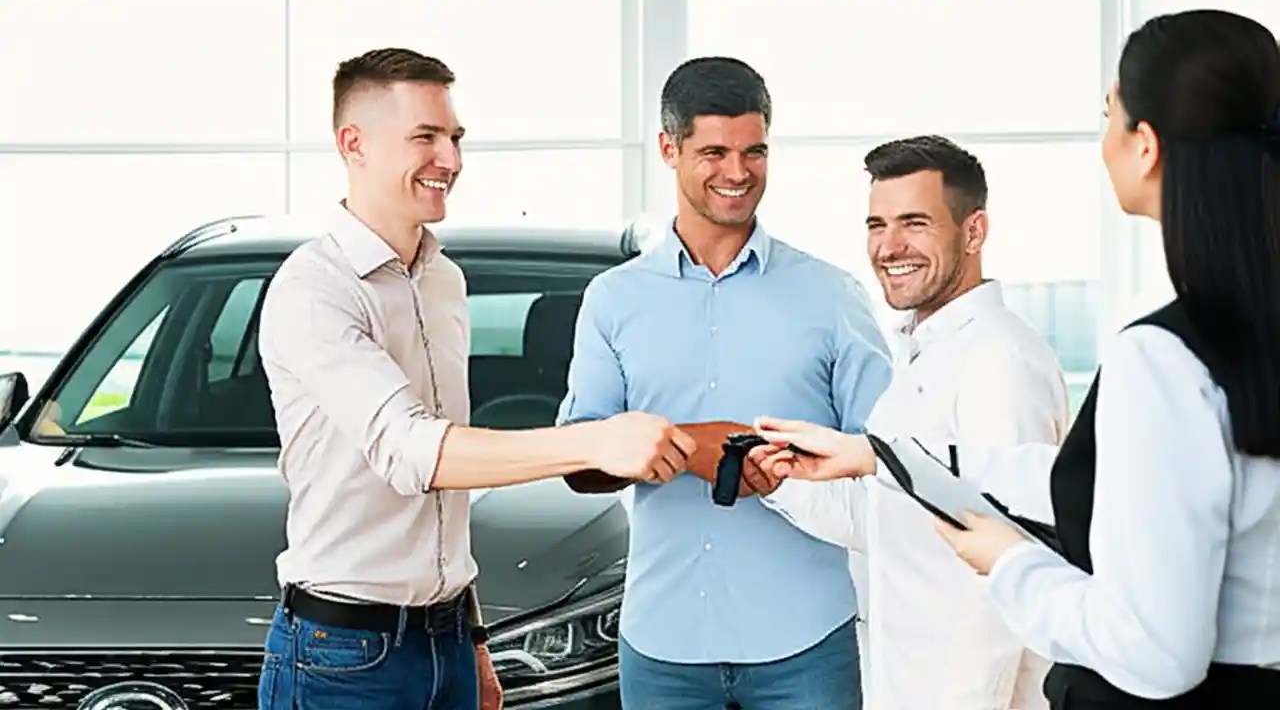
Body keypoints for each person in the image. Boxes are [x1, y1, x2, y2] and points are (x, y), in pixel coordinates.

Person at [747, 9, 1280, 709]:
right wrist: (877, 457)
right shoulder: (1241, 333)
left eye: (1107, 114)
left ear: (1144, 145)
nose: (889, 244)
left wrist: (1010, 562)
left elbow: (1156, 656)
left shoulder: (1162, 356)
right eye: (878, 223)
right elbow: (1098, 482)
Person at [254, 47, 697, 710]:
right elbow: (414, 452)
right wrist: (591, 441)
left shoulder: (442, 281)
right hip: (343, 661)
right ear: (355, 144)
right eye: (424, 138)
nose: (451, 161)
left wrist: (474, 638)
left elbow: (440, 503)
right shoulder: (314, 292)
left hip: (447, 644)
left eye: (455, 138)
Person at [557, 55, 892, 710]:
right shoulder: (614, 300)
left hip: (806, 643)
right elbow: (580, 463)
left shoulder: (831, 296)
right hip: (664, 647)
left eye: (754, 151)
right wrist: (686, 445)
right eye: (714, 151)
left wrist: (797, 465)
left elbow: (889, 457)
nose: (738, 173)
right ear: (668, 148)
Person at [759, 135, 1070, 709]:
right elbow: (887, 520)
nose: (889, 246)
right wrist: (778, 479)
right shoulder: (923, 354)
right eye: (877, 225)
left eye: (915, 223)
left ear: (973, 232)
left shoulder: (1000, 360)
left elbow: (1001, 571)